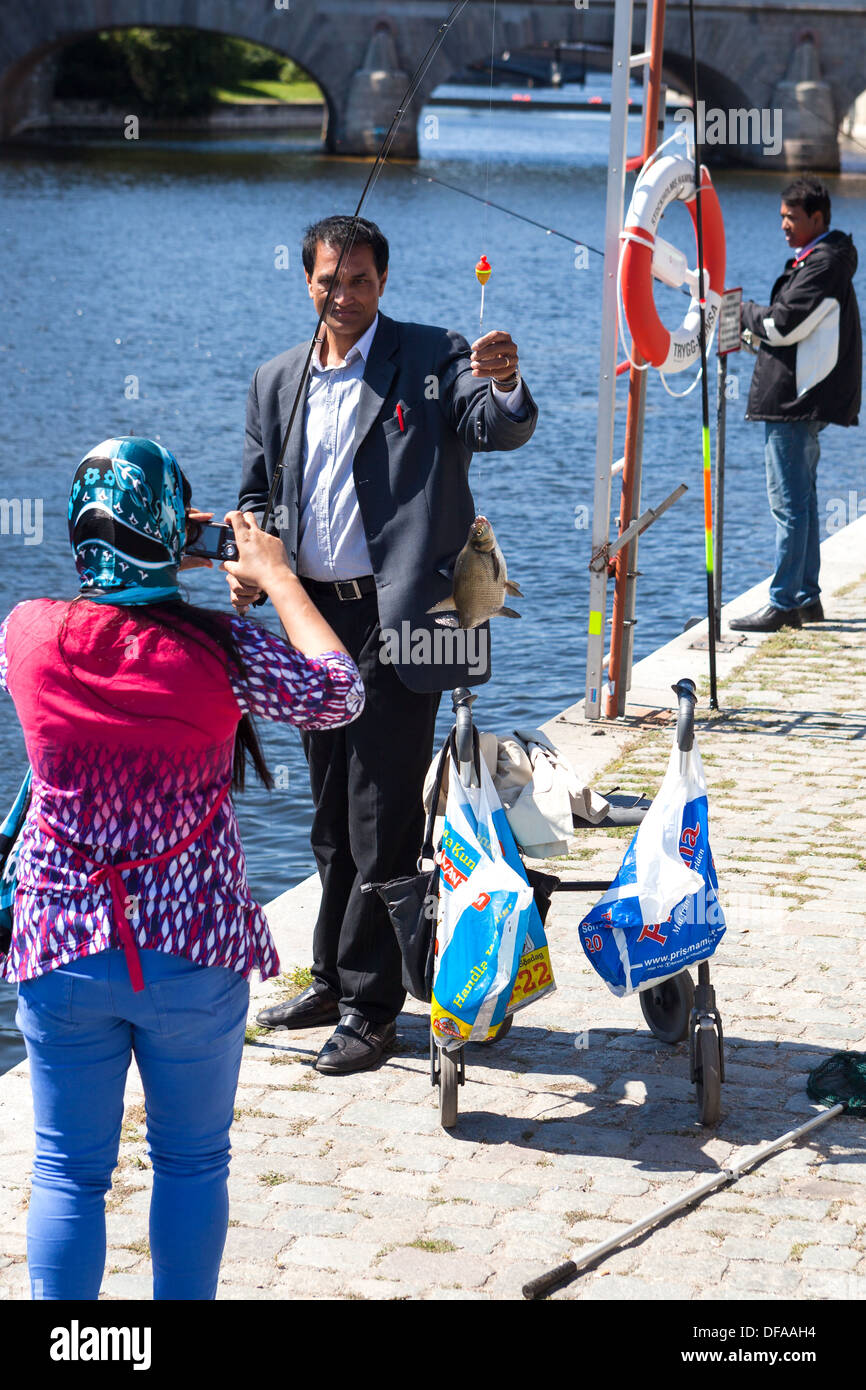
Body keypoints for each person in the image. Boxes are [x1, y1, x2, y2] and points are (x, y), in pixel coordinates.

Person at [0, 436, 364, 1300]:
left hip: (62, 945)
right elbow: (340, 691)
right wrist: (273, 576)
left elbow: (112, 605)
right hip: (191, 951)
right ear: (171, 534)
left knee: (67, 1173)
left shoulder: (28, 635)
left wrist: (158, 555)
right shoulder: (223, 656)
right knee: (193, 1163)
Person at [232, 215, 538, 1074]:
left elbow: (494, 423)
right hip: (309, 619)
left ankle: (375, 1009)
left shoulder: (432, 355)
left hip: (403, 618)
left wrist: (505, 383)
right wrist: (248, 560)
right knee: (329, 812)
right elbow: (257, 496)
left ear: (382, 282)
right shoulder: (275, 380)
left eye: (360, 280)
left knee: (382, 812)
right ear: (307, 282)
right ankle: (330, 973)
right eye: (330, 280)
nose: (345, 295)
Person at [731, 177, 861, 633]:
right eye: (782, 217)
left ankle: (783, 601)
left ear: (818, 219)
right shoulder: (826, 260)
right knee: (802, 499)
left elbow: (782, 325)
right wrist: (753, 331)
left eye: (792, 218)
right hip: (803, 397)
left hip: (793, 400)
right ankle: (806, 597)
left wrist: (738, 312)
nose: (784, 226)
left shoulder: (822, 264)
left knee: (789, 504)